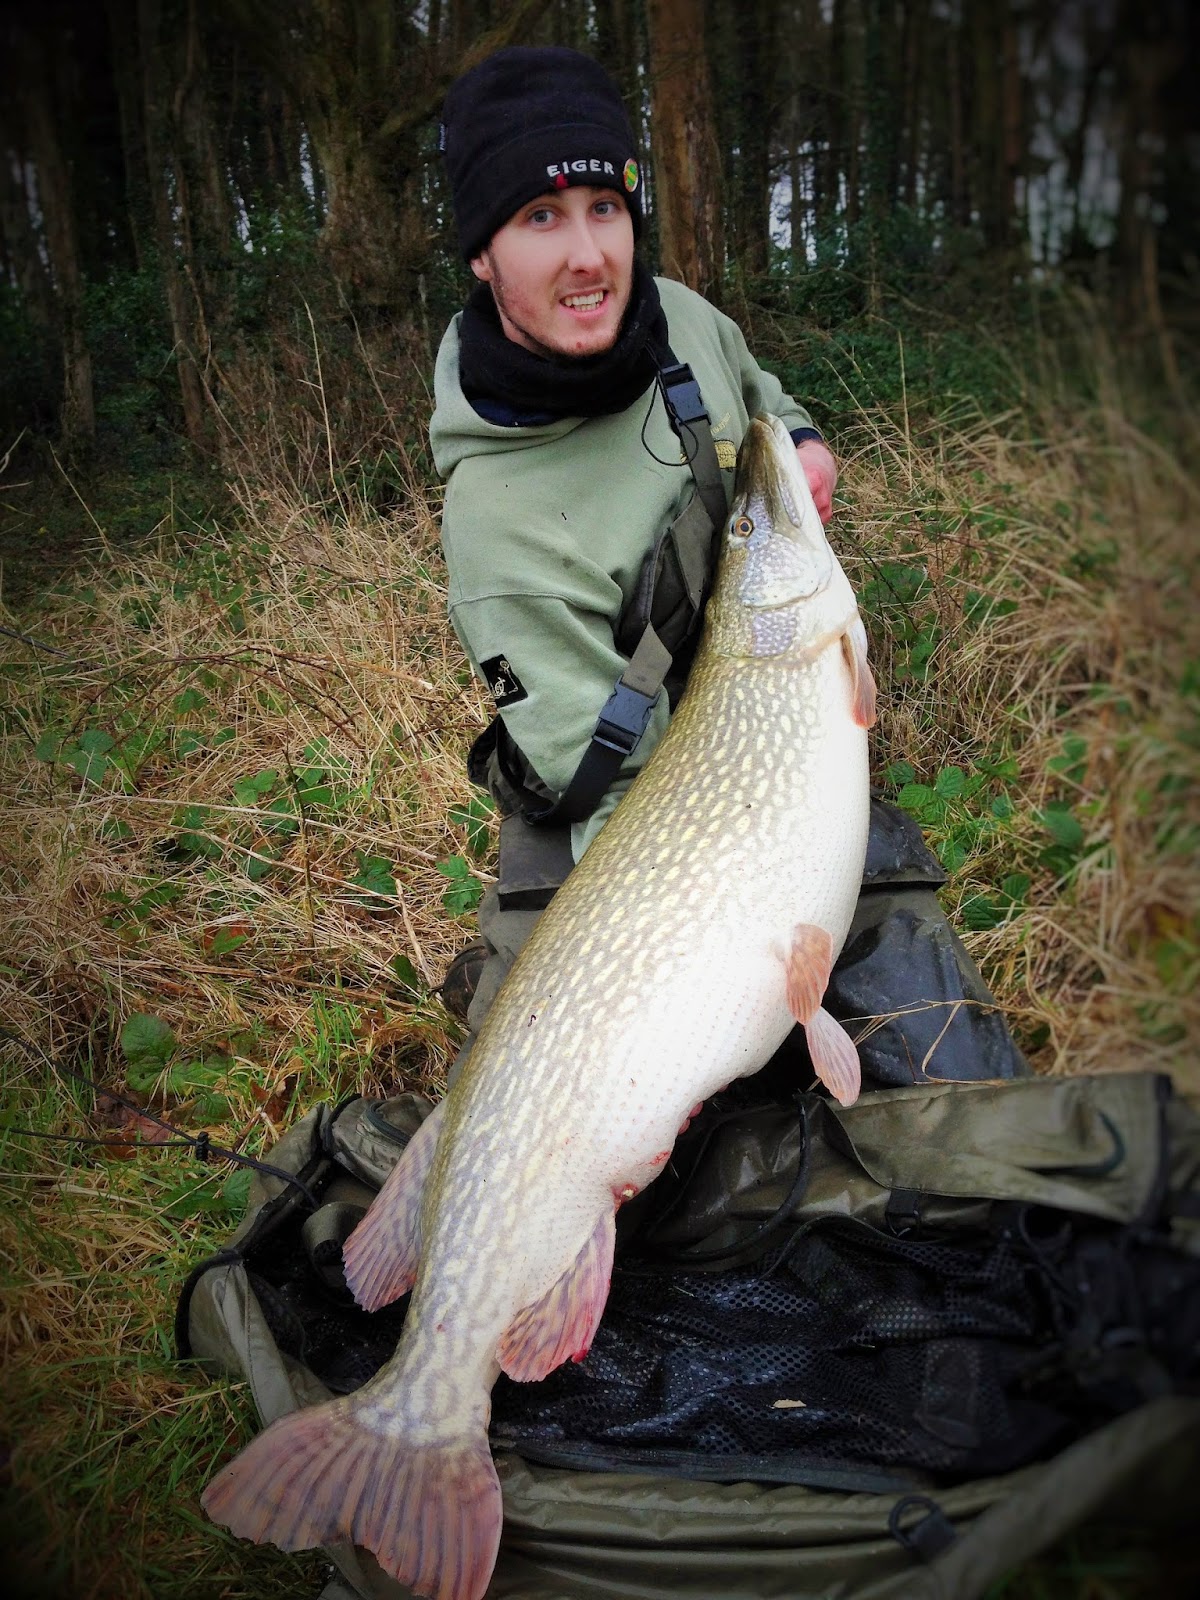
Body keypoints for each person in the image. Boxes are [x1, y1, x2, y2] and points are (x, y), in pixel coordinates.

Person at [429, 45, 1026, 1089]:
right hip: (620, 794)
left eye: (603, 208)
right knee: (581, 1073)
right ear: (481, 253)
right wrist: (705, 971)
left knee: (939, 1041)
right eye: (538, 218)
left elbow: (762, 399)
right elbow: (607, 787)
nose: (588, 257)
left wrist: (799, 441)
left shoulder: (682, 321)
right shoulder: (496, 526)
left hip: (756, 699)